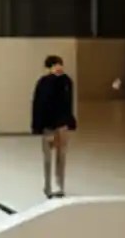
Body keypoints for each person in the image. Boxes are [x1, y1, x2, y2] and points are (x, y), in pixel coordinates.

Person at [31, 54, 77, 199]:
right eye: (56, 65)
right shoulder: (43, 82)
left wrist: (70, 121)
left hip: (62, 125)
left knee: (61, 156)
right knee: (47, 158)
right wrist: (37, 126)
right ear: (49, 67)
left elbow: (69, 103)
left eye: (60, 64)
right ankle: (48, 185)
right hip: (48, 126)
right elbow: (37, 105)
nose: (59, 67)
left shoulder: (67, 81)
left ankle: (60, 186)